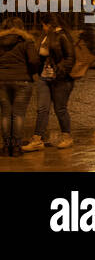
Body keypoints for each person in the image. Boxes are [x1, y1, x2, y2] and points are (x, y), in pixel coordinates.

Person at [23, 13, 76, 151]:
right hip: (44, 77)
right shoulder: (45, 37)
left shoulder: (63, 36)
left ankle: (67, 137)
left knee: (60, 109)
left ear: (49, 25)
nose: (43, 27)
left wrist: (59, 72)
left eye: (44, 25)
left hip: (60, 79)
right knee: (42, 109)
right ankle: (37, 140)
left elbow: (70, 58)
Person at [0, 17, 39, 156]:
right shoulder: (27, 41)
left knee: (5, 114)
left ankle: (6, 146)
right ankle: (16, 147)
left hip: (2, 81)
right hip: (22, 80)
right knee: (19, 114)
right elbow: (34, 60)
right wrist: (32, 72)